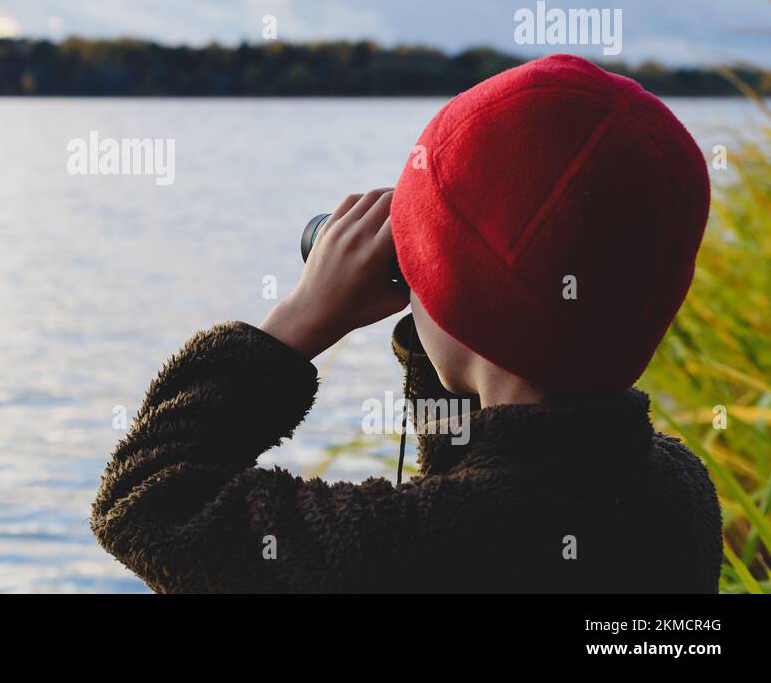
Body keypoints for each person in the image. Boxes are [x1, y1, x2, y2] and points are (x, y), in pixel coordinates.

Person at [91, 53, 722, 592]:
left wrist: (303, 317)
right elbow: (487, 476)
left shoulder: (409, 548)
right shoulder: (677, 492)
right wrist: (447, 304)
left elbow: (145, 502)